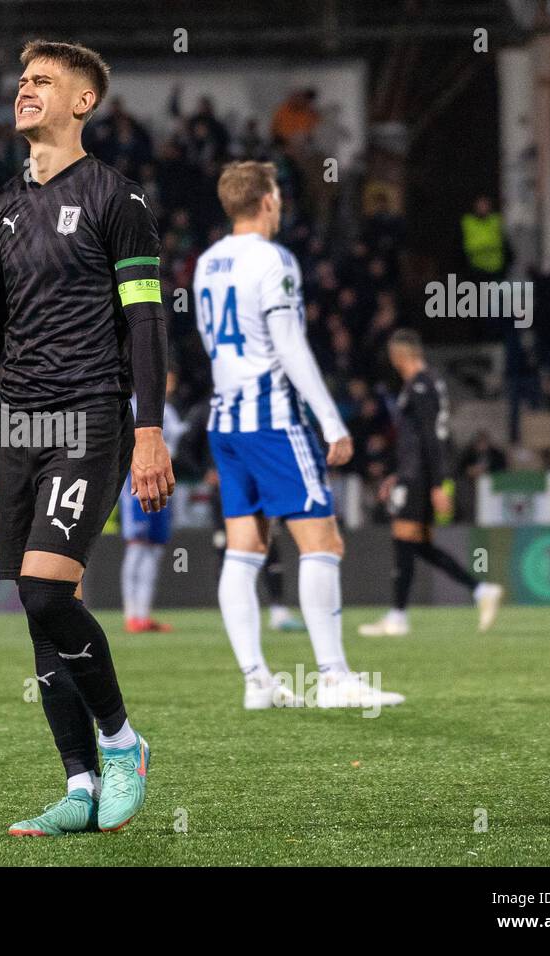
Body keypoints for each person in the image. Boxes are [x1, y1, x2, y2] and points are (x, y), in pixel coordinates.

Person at [0, 40, 173, 837]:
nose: (24, 91)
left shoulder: (116, 198)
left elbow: (147, 322)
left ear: (82, 103)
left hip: (91, 416)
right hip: (19, 424)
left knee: (43, 592)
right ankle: (80, 788)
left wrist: (149, 429)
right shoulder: (1, 206)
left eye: (42, 82)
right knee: (40, 612)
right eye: (22, 81)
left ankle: (125, 745)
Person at [194, 160, 404, 710]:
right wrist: (331, 420)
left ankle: (256, 681)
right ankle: (333, 678)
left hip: (226, 419)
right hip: (271, 418)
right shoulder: (273, 258)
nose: (281, 203)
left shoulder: (207, 263)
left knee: (244, 550)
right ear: (266, 200)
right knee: (322, 542)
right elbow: (289, 346)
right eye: (278, 194)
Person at [359, 330, 504, 636]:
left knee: (402, 539)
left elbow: (431, 437)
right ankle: (481, 591)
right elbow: (417, 438)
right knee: (419, 545)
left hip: (419, 476)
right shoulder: (429, 383)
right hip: (413, 473)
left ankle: (398, 617)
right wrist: (397, 473)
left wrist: (437, 483)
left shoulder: (421, 385)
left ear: (400, 355)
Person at [119, 372, 187, 633]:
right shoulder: (132, 407)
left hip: (162, 484)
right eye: (166, 378)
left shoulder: (168, 411)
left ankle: (144, 614)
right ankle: (131, 614)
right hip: (135, 485)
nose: (170, 383)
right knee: (137, 547)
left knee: (155, 549)